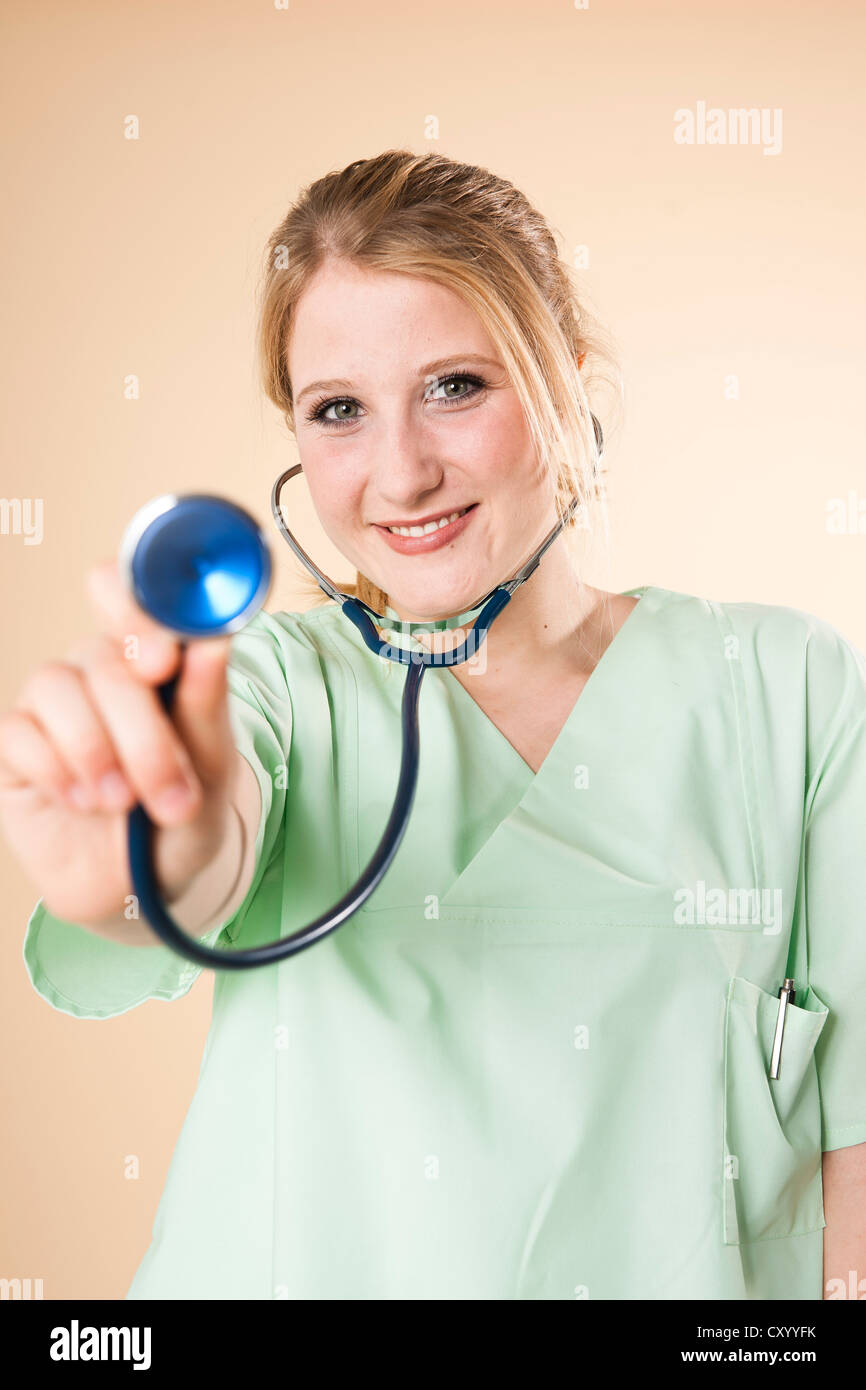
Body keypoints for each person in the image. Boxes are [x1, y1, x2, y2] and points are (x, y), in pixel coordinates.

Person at [3, 149, 865, 1301]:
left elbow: (851, 1145)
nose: (400, 473)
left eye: (455, 386)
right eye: (338, 410)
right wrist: (141, 850)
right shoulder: (274, 686)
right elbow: (195, 858)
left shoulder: (786, 689)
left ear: (562, 379)